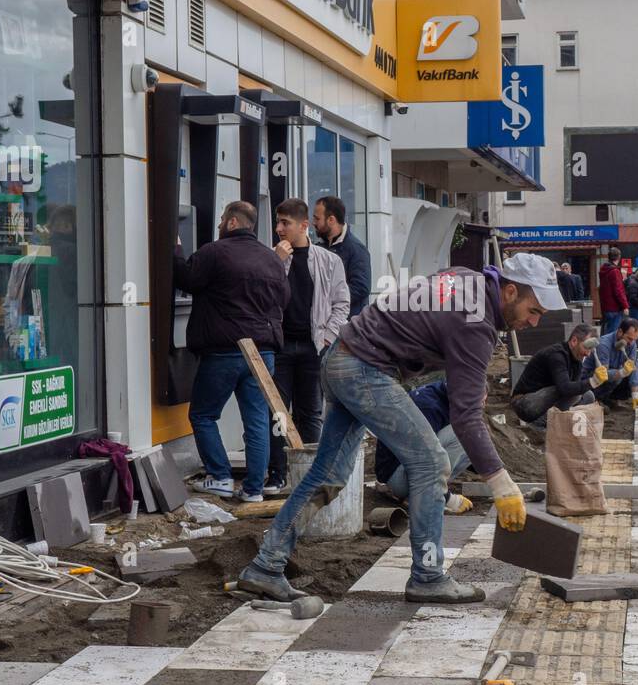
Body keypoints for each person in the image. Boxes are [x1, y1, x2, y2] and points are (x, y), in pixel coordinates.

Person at [236, 252, 563, 606]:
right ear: (511, 291)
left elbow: (430, 320)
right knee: (431, 462)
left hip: (344, 358)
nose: (533, 322)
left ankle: (265, 566)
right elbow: (466, 416)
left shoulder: (466, 278)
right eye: (534, 311)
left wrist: (466, 372)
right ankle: (428, 575)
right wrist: (502, 484)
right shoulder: (476, 322)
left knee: (328, 473)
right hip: (364, 369)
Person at [174, 201, 289, 502]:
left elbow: (186, 279)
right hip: (263, 352)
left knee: (202, 414)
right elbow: (284, 299)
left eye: (223, 218)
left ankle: (221, 477)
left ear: (234, 223)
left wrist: (175, 250)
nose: (219, 224)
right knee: (257, 419)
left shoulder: (214, 252)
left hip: (225, 351)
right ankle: (253, 490)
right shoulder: (271, 258)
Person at [266, 198, 350, 495]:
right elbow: (262, 296)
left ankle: (311, 476)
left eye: (285, 223)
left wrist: (327, 338)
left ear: (303, 226)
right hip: (281, 347)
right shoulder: (272, 259)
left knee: (310, 413)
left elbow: (342, 303)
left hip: (315, 349)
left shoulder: (328, 261)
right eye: (277, 222)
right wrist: (275, 262)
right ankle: (276, 475)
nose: (279, 229)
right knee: (277, 414)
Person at [374, 380, 473, 513]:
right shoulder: (428, 407)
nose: (481, 406)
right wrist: (448, 497)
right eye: (479, 401)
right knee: (464, 433)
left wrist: (493, 475)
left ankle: (427, 492)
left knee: (474, 444)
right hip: (396, 476)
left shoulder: (444, 397)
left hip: (404, 469)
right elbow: (422, 457)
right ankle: (429, 495)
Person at [511, 322, 599, 425]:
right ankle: (539, 425)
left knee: (588, 395)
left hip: (542, 401)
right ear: (574, 341)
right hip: (524, 403)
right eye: (586, 348)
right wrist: (593, 381)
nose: (588, 354)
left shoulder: (577, 360)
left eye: (590, 350)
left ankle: (561, 424)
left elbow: (576, 387)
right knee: (574, 394)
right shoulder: (556, 355)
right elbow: (565, 388)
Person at [313, 196, 372, 317]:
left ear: (331, 220)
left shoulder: (357, 249)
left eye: (317, 218)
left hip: (348, 326)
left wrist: (326, 298)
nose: (313, 223)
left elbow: (361, 288)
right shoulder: (319, 247)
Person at [581, 316, 638, 408]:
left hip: (612, 379)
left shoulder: (631, 343)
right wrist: (622, 372)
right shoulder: (604, 344)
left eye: (634, 339)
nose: (631, 342)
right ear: (620, 332)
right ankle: (597, 399)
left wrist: (635, 393)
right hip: (591, 379)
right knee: (617, 376)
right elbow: (603, 374)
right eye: (629, 338)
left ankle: (611, 398)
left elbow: (634, 366)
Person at [598, 247, 629, 336]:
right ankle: (608, 350)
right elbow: (618, 290)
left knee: (605, 332)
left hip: (605, 306)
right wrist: (625, 306)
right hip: (614, 307)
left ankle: (602, 349)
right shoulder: (614, 271)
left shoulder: (604, 270)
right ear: (619, 257)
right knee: (612, 334)